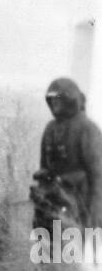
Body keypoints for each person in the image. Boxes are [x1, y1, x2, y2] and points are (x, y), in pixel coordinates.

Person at [34, 76, 102, 231]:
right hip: (51, 200)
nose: (55, 103)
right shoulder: (50, 129)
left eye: (59, 98)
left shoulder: (87, 128)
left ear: (70, 99)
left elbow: (98, 174)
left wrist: (97, 209)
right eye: (51, 100)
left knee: (73, 248)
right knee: (47, 250)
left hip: (78, 201)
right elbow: (44, 165)